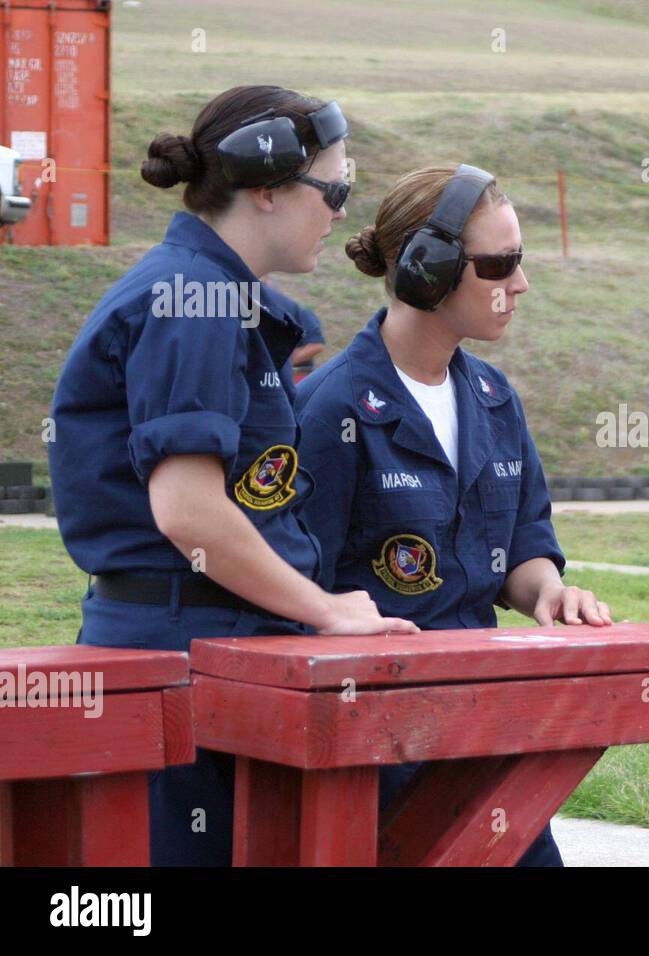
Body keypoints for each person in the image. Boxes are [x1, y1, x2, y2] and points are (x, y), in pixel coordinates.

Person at [48, 85, 417, 867]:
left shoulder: (208, 292)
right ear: (270, 188)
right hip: (189, 651)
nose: (342, 211)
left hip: (192, 642)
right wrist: (325, 610)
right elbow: (187, 511)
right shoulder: (198, 300)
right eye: (336, 188)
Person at [295, 164, 612, 866]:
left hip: (484, 734)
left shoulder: (495, 398)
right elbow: (295, 592)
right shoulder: (331, 410)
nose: (519, 284)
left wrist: (548, 591)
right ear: (427, 270)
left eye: (519, 262)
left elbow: (523, 541)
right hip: (373, 744)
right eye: (499, 265)